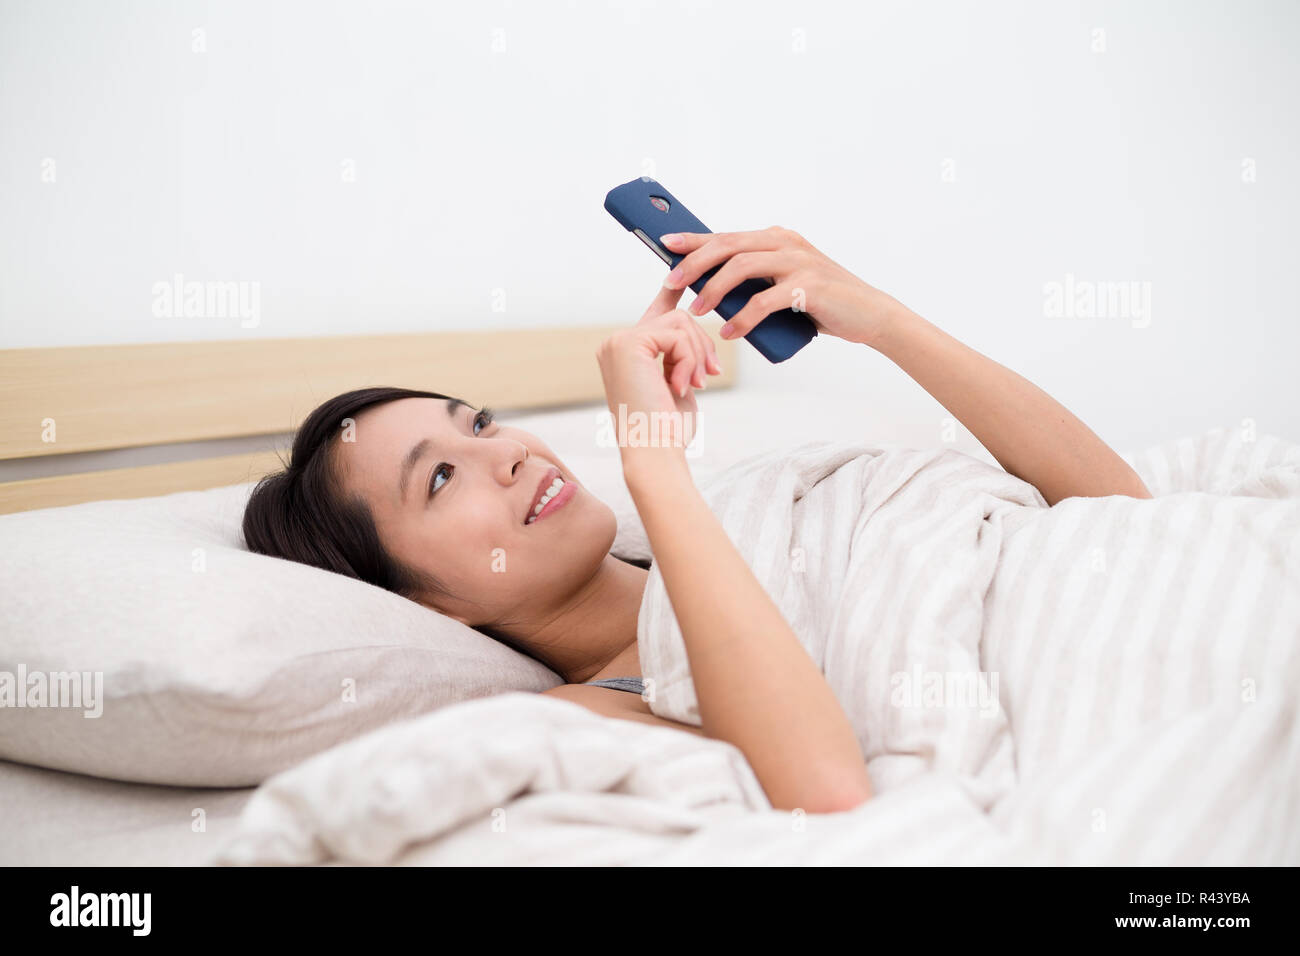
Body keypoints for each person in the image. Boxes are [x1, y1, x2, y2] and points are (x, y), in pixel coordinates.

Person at [242, 226, 1151, 814]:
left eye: (477, 422)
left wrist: (882, 322)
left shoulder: (748, 505)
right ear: (426, 605)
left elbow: (1128, 520)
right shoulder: (583, 714)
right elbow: (829, 795)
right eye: (440, 478)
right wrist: (651, 462)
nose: (507, 452)